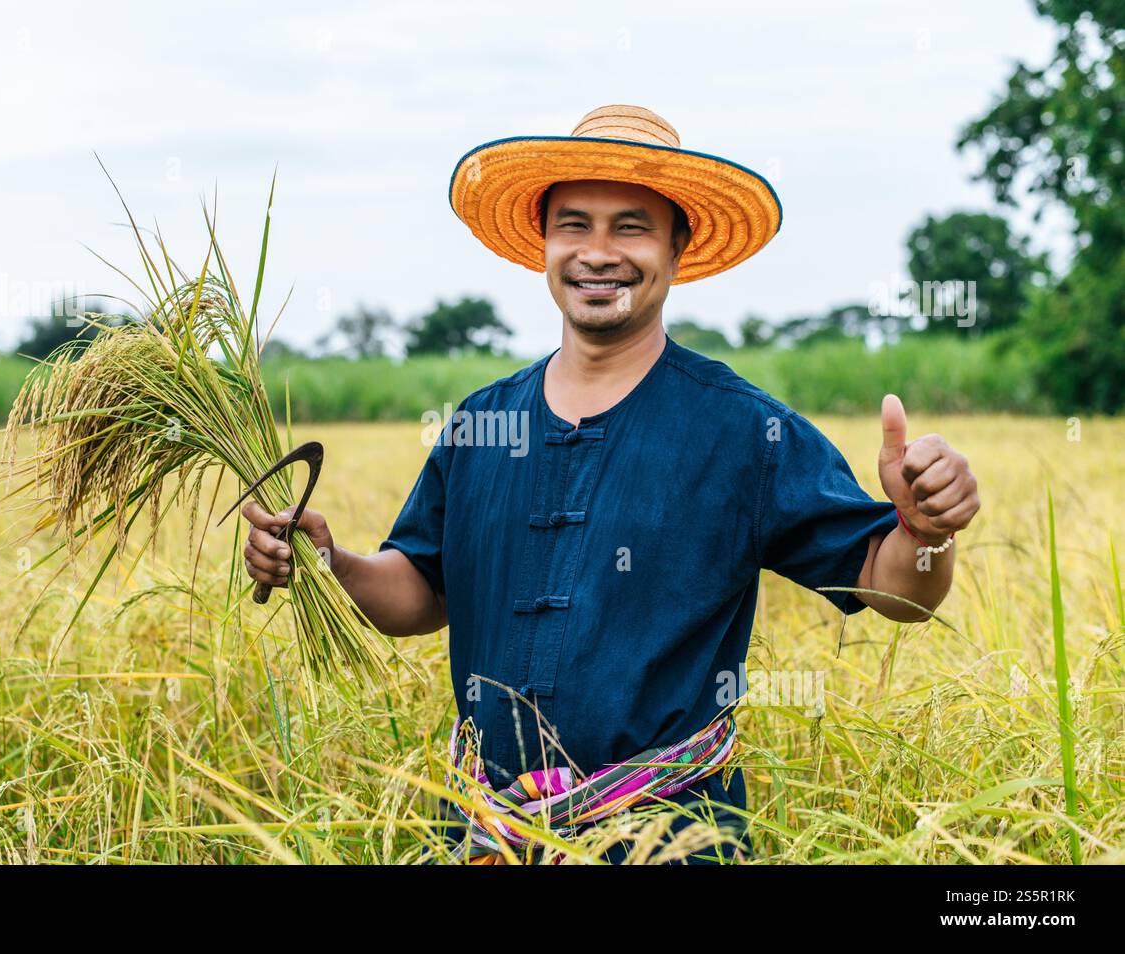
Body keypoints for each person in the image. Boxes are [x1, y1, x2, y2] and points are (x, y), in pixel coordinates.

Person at [241, 104, 981, 864]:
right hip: (484, 836)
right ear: (544, 243)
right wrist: (329, 561)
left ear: (678, 246)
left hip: (668, 841)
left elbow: (894, 591)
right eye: (574, 224)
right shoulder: (482, 423)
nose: (599, 253)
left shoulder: (742, 431)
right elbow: (421, 592)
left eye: (630, 226)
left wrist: (925, 534)